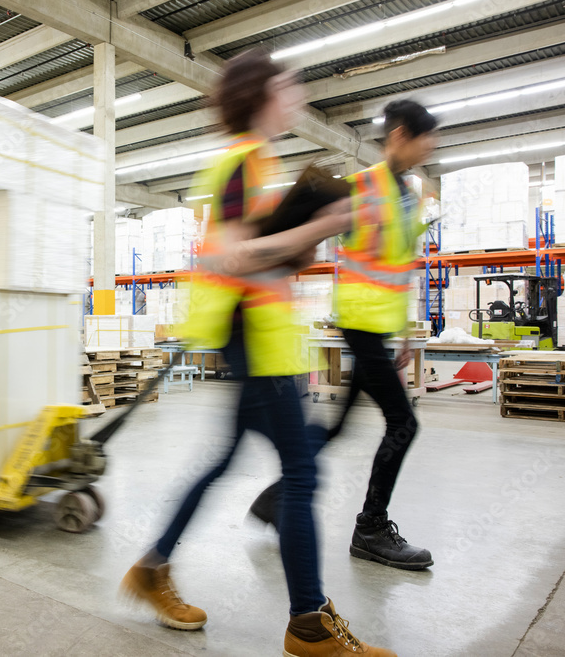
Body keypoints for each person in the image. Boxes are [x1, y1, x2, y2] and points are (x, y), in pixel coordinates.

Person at [119, 49, 396, 657]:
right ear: (262, 95)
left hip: (263, 340)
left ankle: (151, 568)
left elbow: (256, 252)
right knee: (301, 476)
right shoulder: (241, 163)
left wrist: (302, 233)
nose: (296, 93)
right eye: (287, 84)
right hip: (258, 343)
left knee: (222, 463)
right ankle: (309, 625)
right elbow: (237, 257)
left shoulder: (251, 164)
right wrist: (327, 223)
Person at [249, 99, 438, 572]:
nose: (429, 146)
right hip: (359, 326)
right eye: (423, 137)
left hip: (380, 330)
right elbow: (300, 217)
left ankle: (277, 498)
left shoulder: (407, 196)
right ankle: (371, 528)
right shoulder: (363, 189)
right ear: (399, 136)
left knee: (336, 427)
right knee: (404, 423)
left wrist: (409, 331)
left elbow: (401, 267)